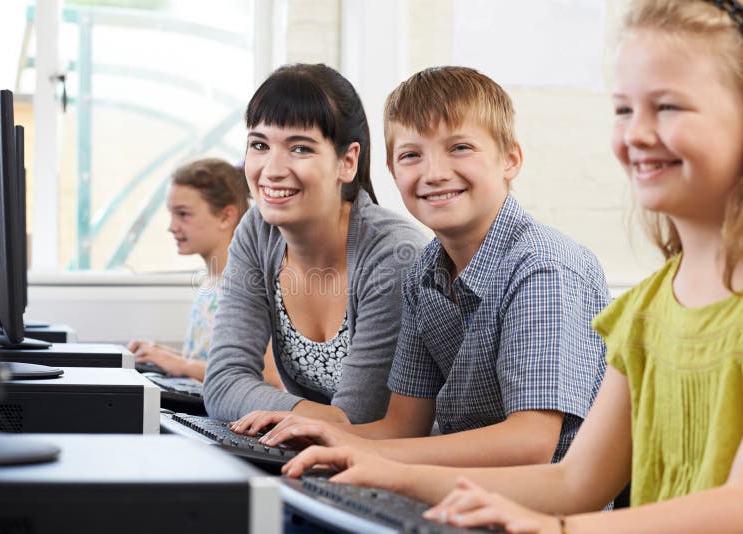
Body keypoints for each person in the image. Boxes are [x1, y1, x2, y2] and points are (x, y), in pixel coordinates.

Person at [282, 1, 743, 531]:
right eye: (623, 110)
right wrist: (372, 464)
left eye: (668, 106)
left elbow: (730, 506)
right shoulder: (646, 307)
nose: (635, 133)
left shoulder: (546, 267)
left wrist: (558, 528)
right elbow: (574, 481)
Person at [235, 66, 610, 470]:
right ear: (393, 171)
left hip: (536, 501)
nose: (434, 174)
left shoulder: (543, 269)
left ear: (510, 159)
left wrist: (356, 449)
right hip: (459, 490)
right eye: (411, 155)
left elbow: (531, 443)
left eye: (460, 148)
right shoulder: (425, 274)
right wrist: (311, 431)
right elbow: (402, 426)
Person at [203, 63, 427, 425]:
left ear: (347, 162)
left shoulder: (394, 254)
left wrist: (298, 417)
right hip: (313, 445)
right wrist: (306, 416)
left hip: (395, 453)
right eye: (259, 145)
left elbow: (358, 420)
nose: (272, 169)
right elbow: (223, 383)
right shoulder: (258, 231)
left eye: (300, 148)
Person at [129, 158, 282, 387]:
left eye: (183, 214)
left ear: (225, 217)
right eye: (172, 214)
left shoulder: (247, 285)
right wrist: (165, 356)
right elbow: (211, 360)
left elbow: (267, 378)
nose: (172, 226)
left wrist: (182, 365)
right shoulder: (211, 281)